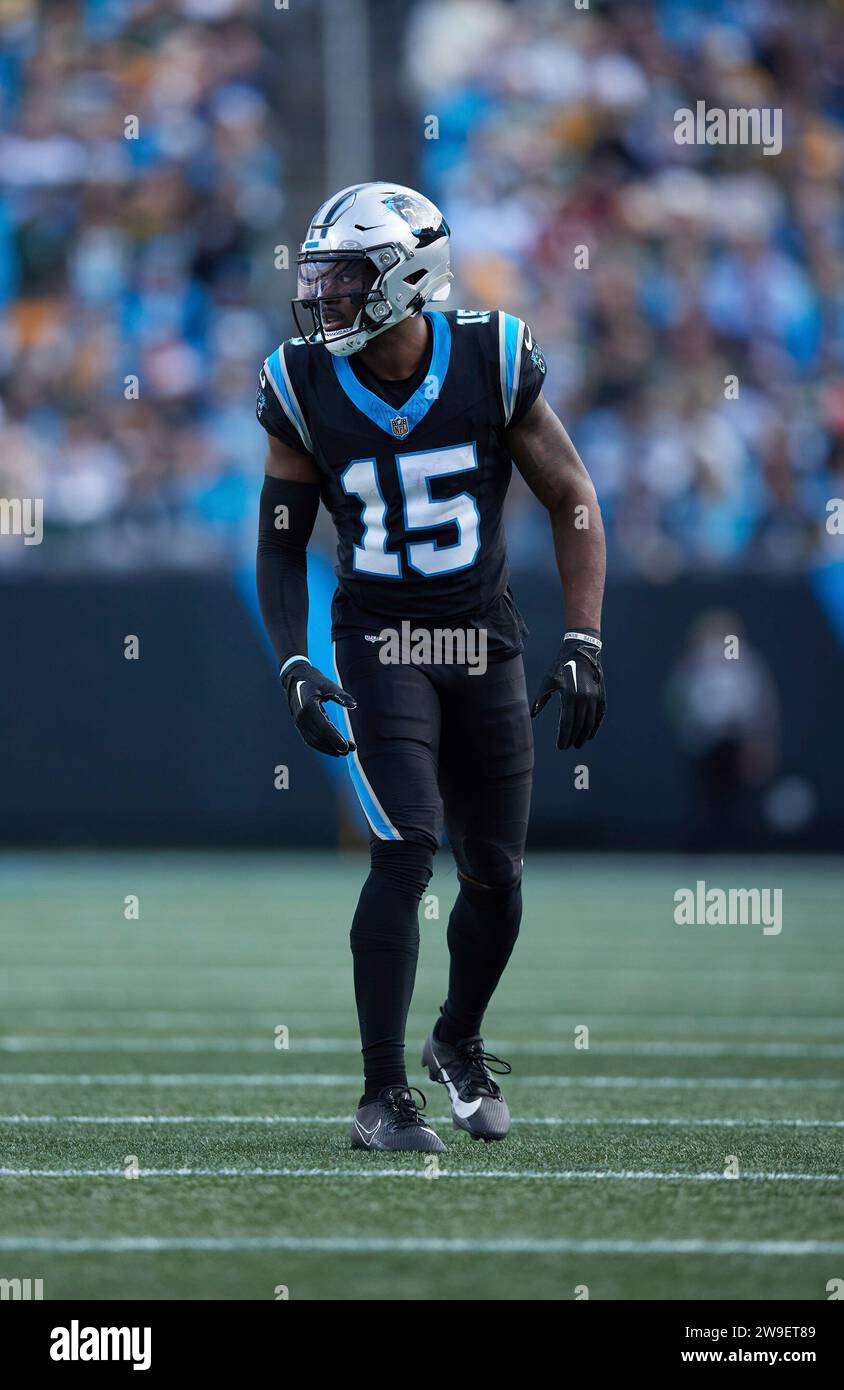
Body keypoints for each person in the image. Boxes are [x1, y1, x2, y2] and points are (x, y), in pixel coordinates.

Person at [255, 182, 606, 1151]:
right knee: (406, 849)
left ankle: (456, 1038)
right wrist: (295, 658)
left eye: (345, 276)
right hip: (379, 642)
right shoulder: (301, 380)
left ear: (408, 275)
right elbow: (280, 541)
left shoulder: (491, 356)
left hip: (480, 640)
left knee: (494, 871)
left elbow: (572, 495)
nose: (322, 294)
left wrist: (583, 636)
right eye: (319, 275)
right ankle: (380, 1097)